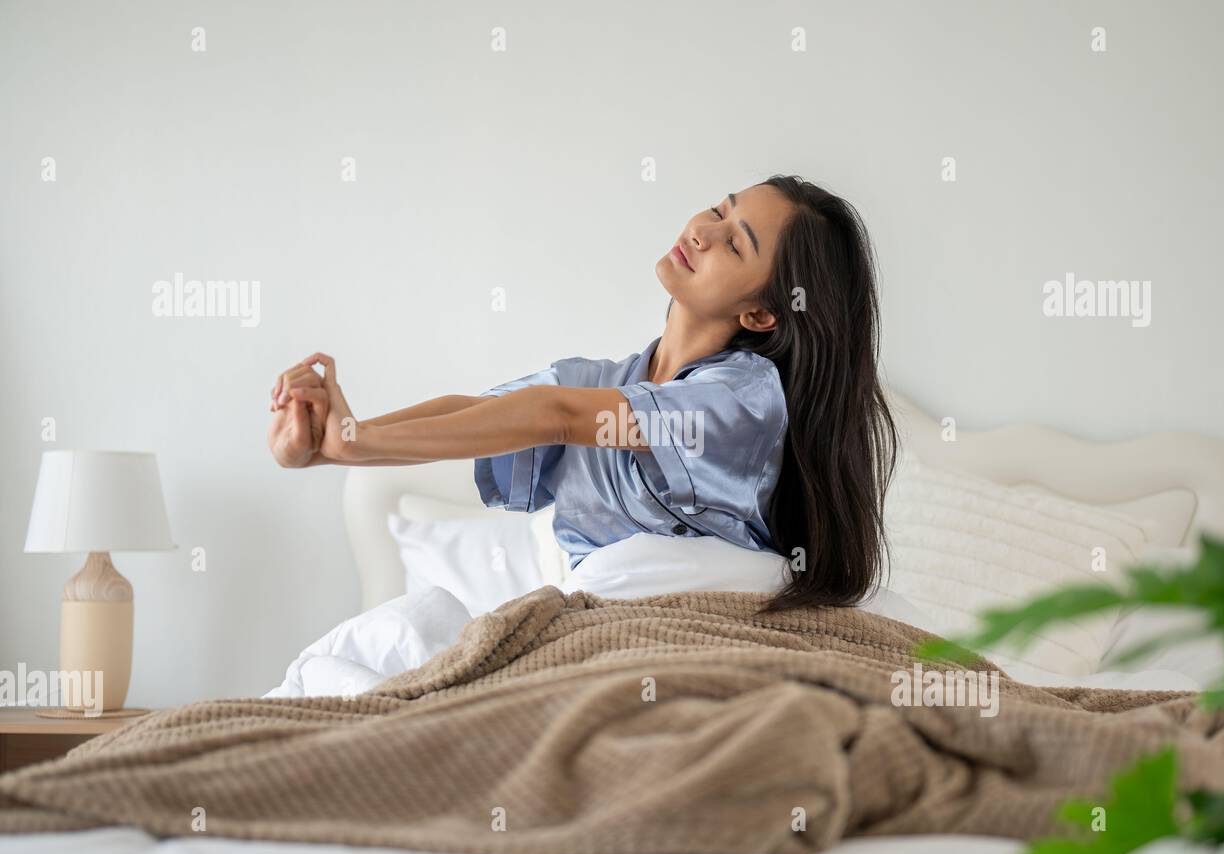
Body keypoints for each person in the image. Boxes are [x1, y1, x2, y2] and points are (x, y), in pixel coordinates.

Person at [266, 174, 898, 614]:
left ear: (763, 315)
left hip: (674, 630)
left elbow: (559, 417)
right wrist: (329, 444)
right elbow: (482, 413)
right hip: (583, 621)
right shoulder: (604, 379)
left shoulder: (743, 403)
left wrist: (358, 441)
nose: (703, 230)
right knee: (406, 632)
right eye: (719, 209)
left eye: (735, 242)